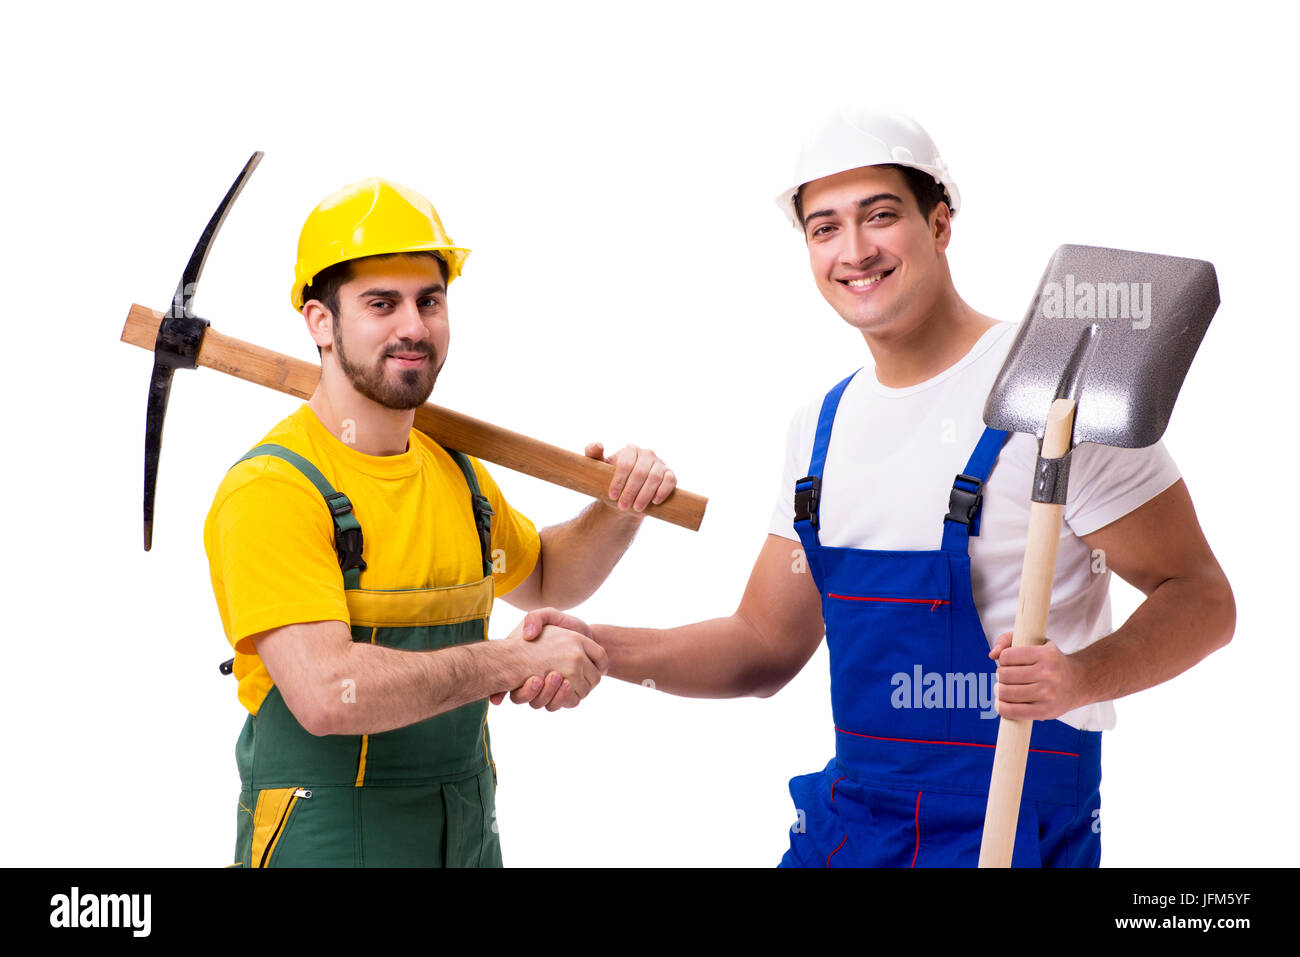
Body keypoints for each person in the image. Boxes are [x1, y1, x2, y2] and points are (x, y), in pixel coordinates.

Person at [560, 108, 1235, 866]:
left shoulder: (1056, 393)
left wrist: (1078, 678)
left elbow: (1203, 599)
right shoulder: (821, 426)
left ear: (940, 224)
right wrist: (597, 646)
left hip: (1009, 829)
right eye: (824, 228)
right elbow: (761, 645)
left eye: (880, 216)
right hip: (853, 827)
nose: (854, 251)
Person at [204, 177, 675, 867]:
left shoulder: (454, 472)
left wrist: (618, 505)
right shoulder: (274, 489)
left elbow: (546, 576)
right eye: (381, 303)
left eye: (429, 300)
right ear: (320, 322)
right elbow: (329, 693)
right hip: (324, 835)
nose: (413, 327)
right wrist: (513, 660)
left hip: (465, 832)